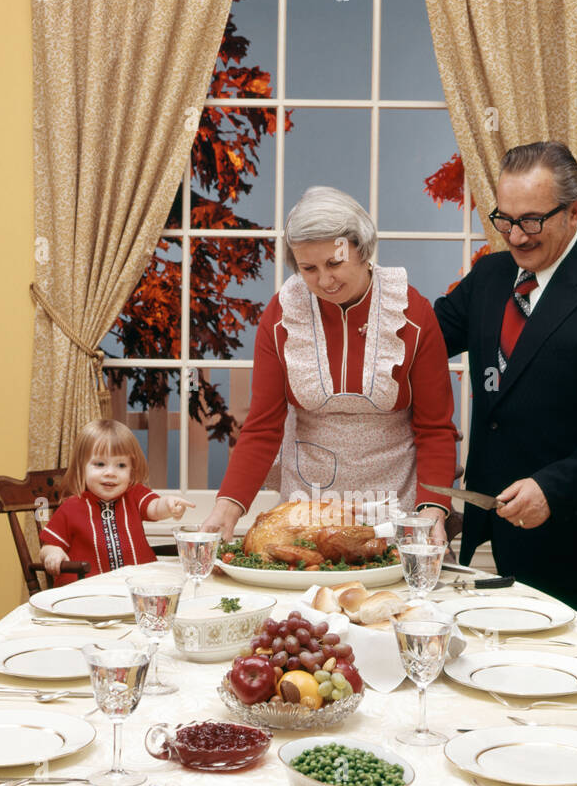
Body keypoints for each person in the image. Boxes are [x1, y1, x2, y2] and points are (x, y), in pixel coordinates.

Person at [434, 141, 577, 666]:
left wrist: (550, 489)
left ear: (575, 211)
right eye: (505, 219)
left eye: (531, 221)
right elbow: (423, 342)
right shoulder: (489, 277)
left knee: (572, 708)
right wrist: (348, 284)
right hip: (492, 540)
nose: (515, 236)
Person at [201, 186, 458, 543]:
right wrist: (227, 508)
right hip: (307, 508)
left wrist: (432, 510)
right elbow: (262, 428)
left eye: (334, 263)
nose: (324, 280)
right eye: (309, 268)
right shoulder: (281, 318)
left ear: (362, 250)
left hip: (392, 509)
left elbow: (435, 430)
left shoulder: (411, 314)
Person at [38, 418, 194, 586]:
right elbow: (49, 545)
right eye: (99, 464)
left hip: (138, 586)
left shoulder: (134, 495)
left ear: (131, 470)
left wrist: (169, 504)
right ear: (81, 467)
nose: (110, 472)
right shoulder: (71, 507)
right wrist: (53, 554)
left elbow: (154, 508)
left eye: (121, 465)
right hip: (89, 591)